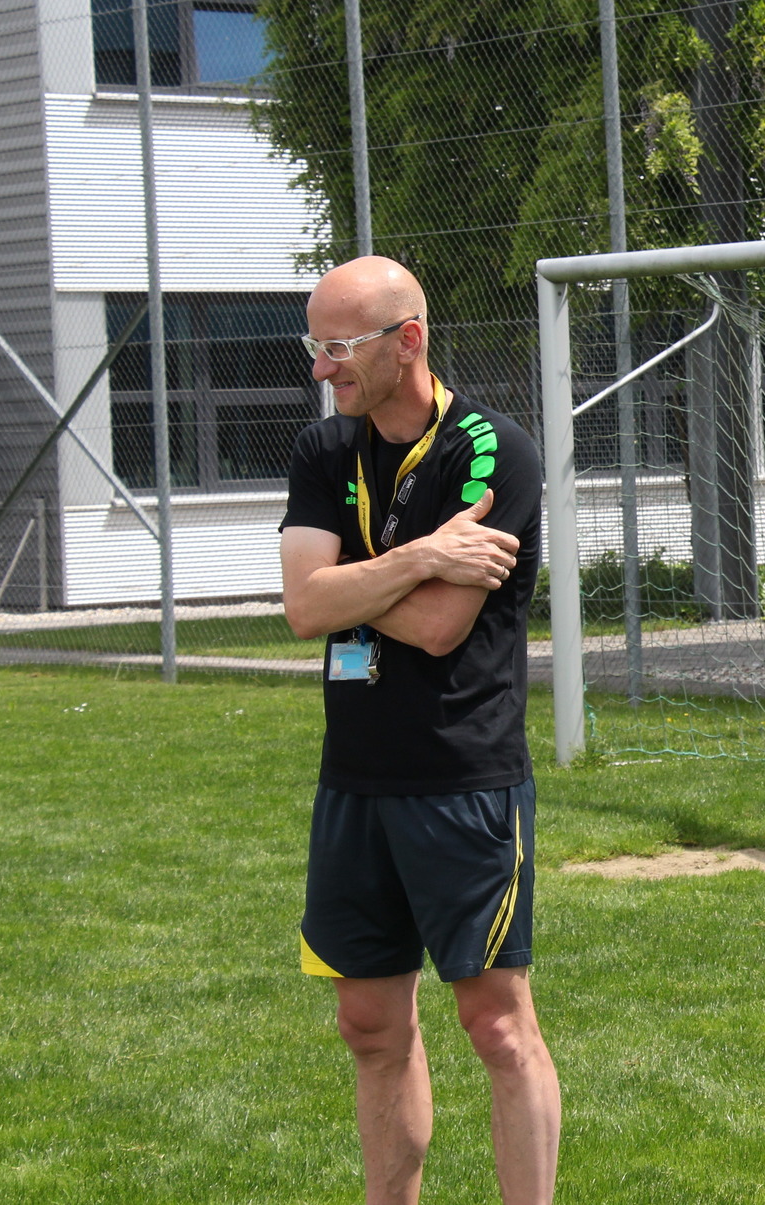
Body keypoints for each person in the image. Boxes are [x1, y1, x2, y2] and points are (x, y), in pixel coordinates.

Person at [280, 256, 559, 1205]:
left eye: (340, 346)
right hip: (353, 778)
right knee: (368, 1022)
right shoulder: (325, 450)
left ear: (409, 340)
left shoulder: (494, 451)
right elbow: (301, 606)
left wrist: (354, 573)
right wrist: (423, 553)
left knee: (495, 1024)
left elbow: (439, 628)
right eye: (314, 346)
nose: (323, 369)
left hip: (462, 778)